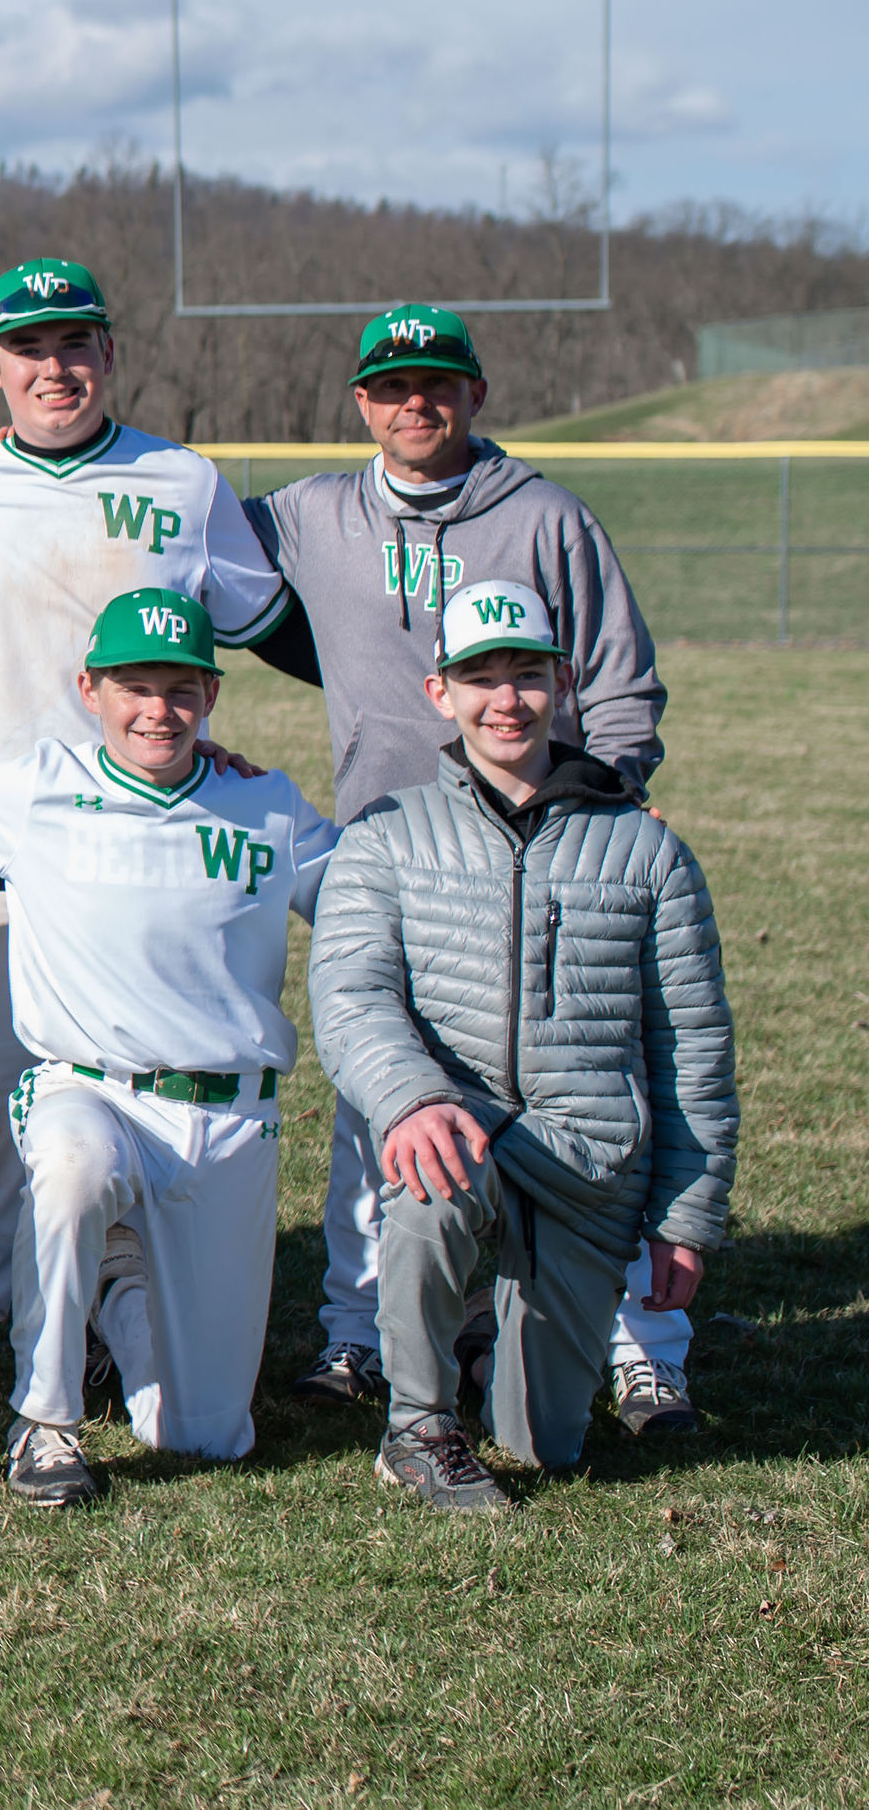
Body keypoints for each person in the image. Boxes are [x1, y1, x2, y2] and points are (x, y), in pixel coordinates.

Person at [251, 303, 684, 1425]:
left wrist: (590, 809)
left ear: (476, 394)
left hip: (548, 849)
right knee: (382, 1090)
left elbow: (624, 686)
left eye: (440, 383)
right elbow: (194, 578)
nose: (416, 403)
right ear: (361, 404)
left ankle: (643, 1336)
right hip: (390, 847)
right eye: (393, 388)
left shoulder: (544, 516)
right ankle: (358, 1334)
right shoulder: (309, 515)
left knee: (600, 1076)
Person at [0, 258, 310, 1332]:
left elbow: (262, 628)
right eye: (30, 347)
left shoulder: (185, 482)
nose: (54, 366)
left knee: (126, 1086)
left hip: (142, 842)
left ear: (109, 354)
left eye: (76, 344)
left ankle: (114, 1298)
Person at [0, 588, 336, 1504]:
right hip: (89, 1089)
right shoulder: (36, 788)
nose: (158, 711)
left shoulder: (265, 804)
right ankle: (45, 1422)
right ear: (88, 686)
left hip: (229, 1112)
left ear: (212, 695)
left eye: (181, 689)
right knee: (68, 1167)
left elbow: (362, 898)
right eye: (134, 686)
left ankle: (119, 1278)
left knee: (202, 1433)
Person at [310, 583, 733, 1510]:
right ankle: (417, 1425)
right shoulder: (385, 834)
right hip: (459, 1131)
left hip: (587, 1159)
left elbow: (691, 1045)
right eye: (480, 677)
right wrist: (414, 1097)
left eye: (527, 674)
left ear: (564, 682)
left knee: (543, 1444)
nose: (505, 699)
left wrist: (685, 1218)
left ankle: (478, 1339)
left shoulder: (645, 849)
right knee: (429, 1179)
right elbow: (350, 995)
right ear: (439, 693)